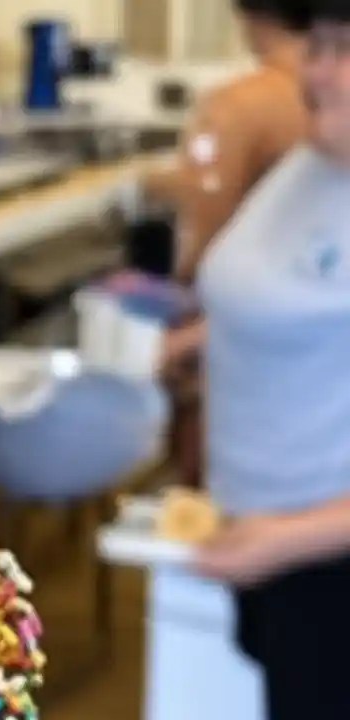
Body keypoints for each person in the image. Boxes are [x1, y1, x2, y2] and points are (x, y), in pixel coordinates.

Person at [191, 1, 350, 715]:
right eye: (317, 46)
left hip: (325, 559)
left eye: (346, 51)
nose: (318, 72)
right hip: (270, 547)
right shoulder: (312, 163)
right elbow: (283, 294)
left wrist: (290, 540)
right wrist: (195, 342)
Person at [156, 0, 312, 488]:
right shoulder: (322, 108)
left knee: (218, 490)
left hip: (243, 348)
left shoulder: (238, 104)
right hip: (311, 360)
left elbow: (205, 222)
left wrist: (186, 311)